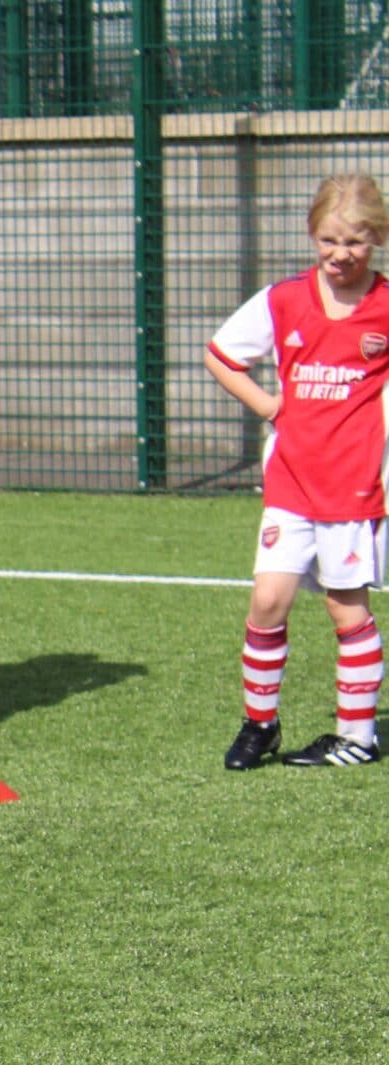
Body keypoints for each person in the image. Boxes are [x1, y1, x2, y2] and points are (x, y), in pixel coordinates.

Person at [205, 173, 389, 770]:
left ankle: (357, 737)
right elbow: (221, 355)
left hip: (355, 488)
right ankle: (260, 725)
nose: (341, 253)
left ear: (377, 239)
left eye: (355, 241)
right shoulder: (284, 299)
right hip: (290, 482)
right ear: (313, 235)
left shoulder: (385, 305)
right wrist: (268, 405)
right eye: (329, 239)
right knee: (268, 601)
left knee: (346, 609)